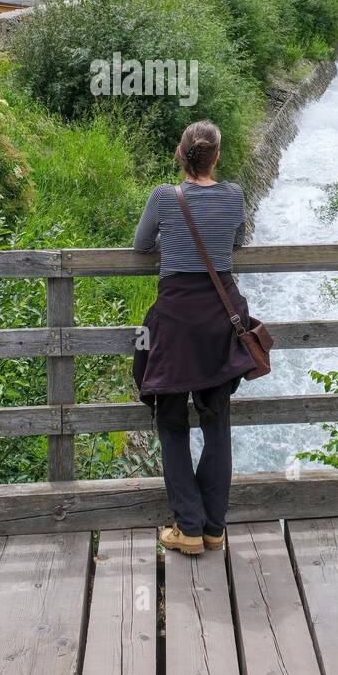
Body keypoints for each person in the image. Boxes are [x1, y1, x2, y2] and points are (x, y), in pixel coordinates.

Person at [132, 120, 254, 556]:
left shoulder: (165, 196)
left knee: (170, 420)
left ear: (179, 155)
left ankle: (188, 527)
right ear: (216, 157)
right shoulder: (235, 195)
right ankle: (213, 527)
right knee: (217, 422)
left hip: (176, 321)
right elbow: (237, 242)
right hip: (222, 319)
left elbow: (141, 245)